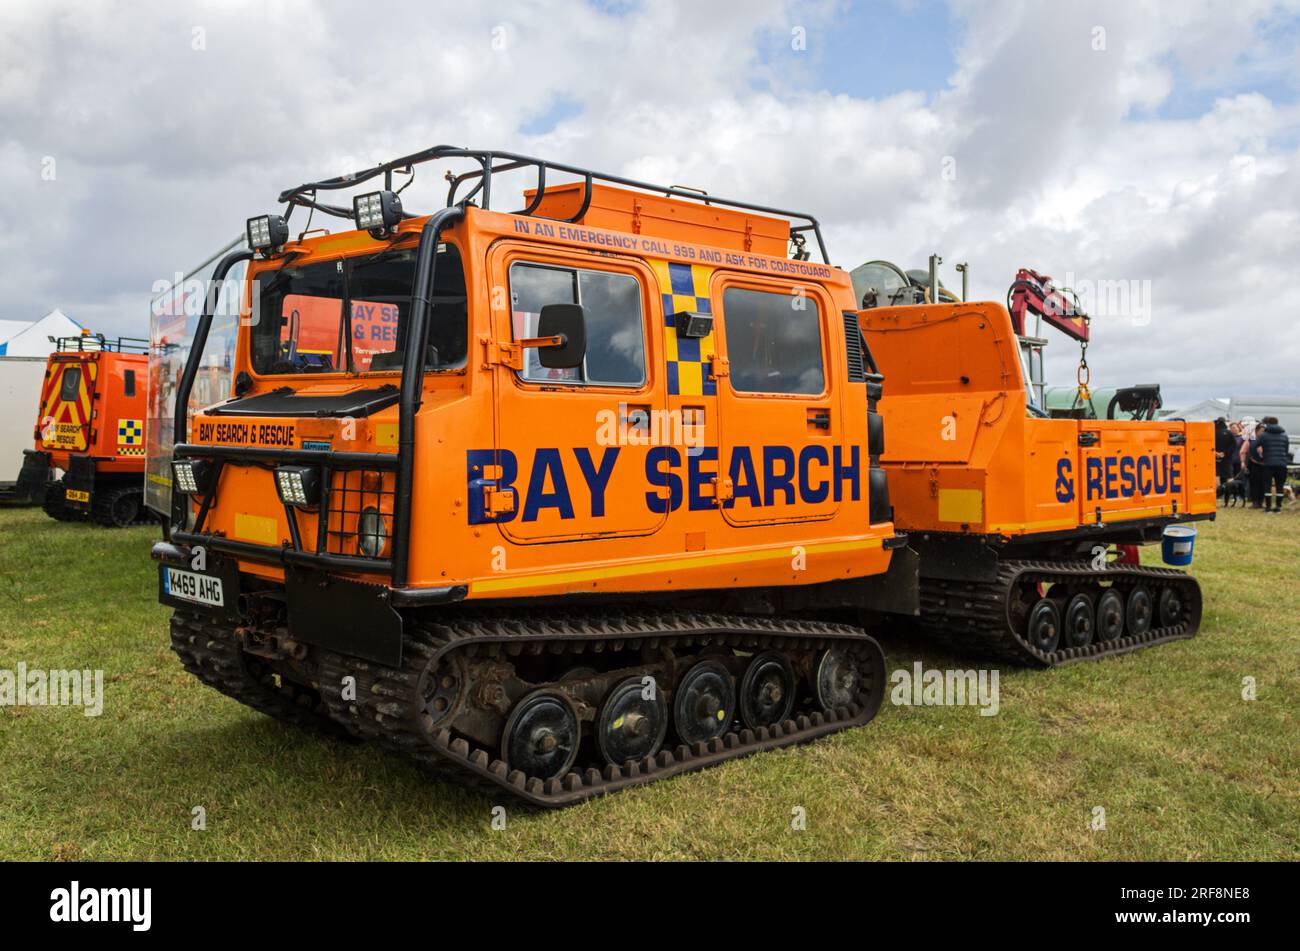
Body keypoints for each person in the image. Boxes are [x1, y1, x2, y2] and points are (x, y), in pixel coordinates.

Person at [1257, 416, 1291, 513]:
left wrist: (1260, 457)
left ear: (1267, 424)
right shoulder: (1284, 435)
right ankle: (1278, 507)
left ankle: (1268, 508)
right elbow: (1286, 449)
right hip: (1282, 464)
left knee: (1267, 485)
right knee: (1280, 485)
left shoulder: (1263, 435)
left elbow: (1254, 445)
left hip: (1268, 463)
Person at [1246, 423, 1267, 508]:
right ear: (1256, 431)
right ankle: (1255, 502)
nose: (1263, 433)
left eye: (1264, 431)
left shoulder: (1267, 441)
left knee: (1263, 484)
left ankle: (1261, 501)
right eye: (1261, 431)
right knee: (1254, 484)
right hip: (1254, 465)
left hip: (1265, 465)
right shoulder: (1252, 441)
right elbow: (1248, 453)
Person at [1214, 417, 1236, 487]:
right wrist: (1225, 453)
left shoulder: (1212, 432)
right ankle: (1231, 492)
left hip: (1214, 457)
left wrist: (1215, 452)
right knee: (1229, 476)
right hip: (1227, 458)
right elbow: (1233, 445)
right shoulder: (1229, 433)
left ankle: (1217, 493)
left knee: (1216, 475)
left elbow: (1208, 445)